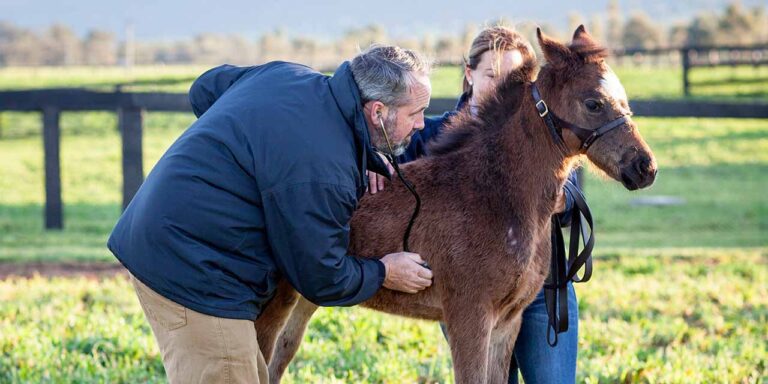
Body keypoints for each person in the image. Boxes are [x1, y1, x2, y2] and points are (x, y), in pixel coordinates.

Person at [108, 45, 435, 384]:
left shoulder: (287, 76)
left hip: (168, 240)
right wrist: (383, 272)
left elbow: (205, 88)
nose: (422, 124)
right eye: (416, 112)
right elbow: (322, 277)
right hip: (192, 269)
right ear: (378, 112)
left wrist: (242, 152)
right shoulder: (324, 172)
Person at [367, 26, 582, 384]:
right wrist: (375, 164)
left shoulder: (546, 137)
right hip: (471, 290)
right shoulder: (431, 134)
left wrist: (559, 197)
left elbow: (573, 197)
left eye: (515, 77)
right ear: (469, 74)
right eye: (491, 74)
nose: (502, 85)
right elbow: (397, 178)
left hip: (543, 287)